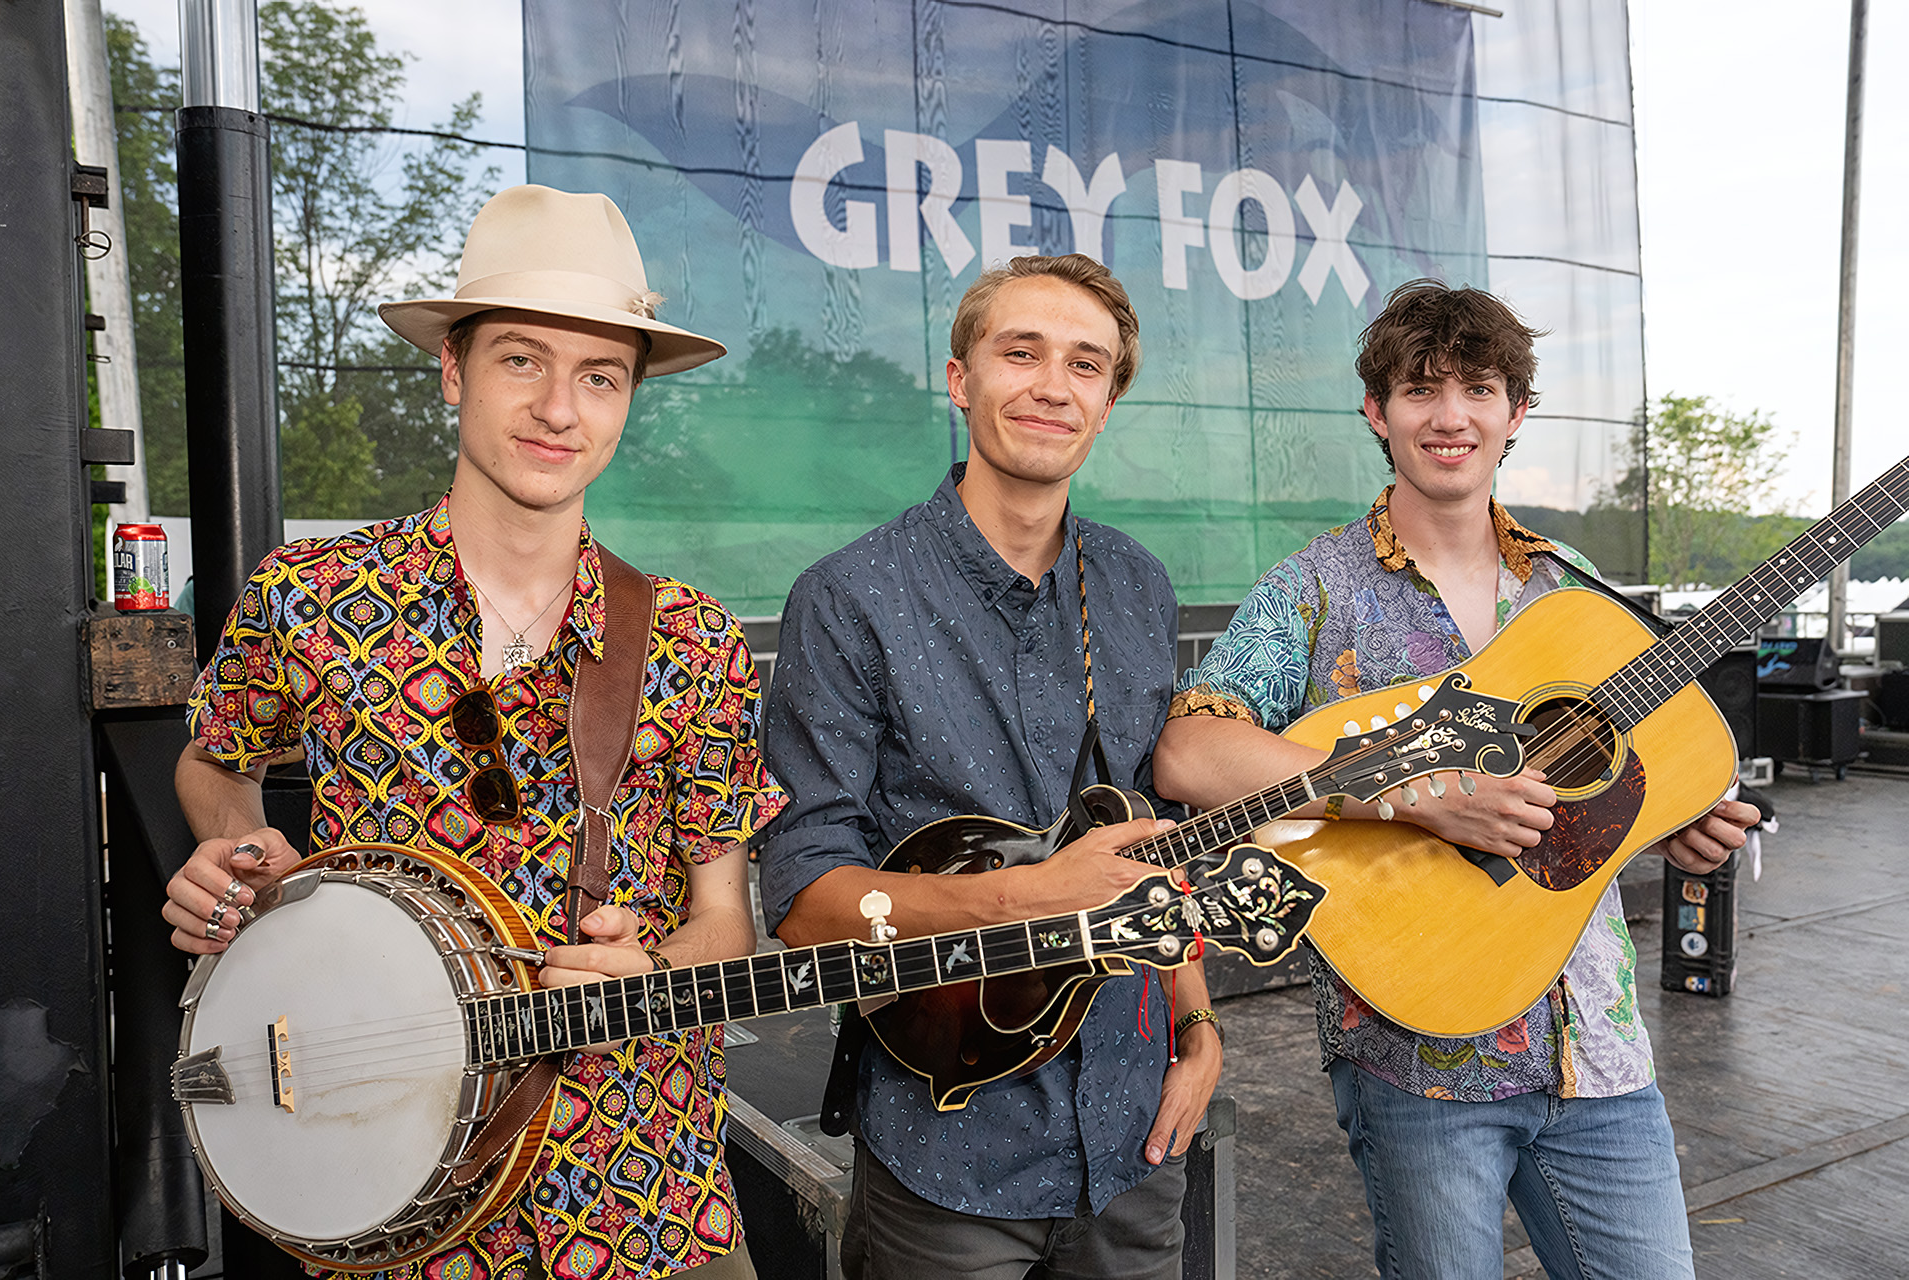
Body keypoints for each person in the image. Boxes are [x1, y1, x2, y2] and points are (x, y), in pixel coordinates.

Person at [162, 185, 786, 1280]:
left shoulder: (694, 638)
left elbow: (725, 922)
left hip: (645, 1190)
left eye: (600, 376)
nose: (558, 408)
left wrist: (648, 968)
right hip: (389, 1191)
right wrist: (241, 856)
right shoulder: (311, 593)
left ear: (629, 401)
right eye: (520, 360)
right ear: (453, 370)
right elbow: (217, 759)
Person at [1152, 278, 1758, 1279]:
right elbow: (1189, 749)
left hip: (1597, 1046)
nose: (1450, 416)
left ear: (1515, 413)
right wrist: (1414, 793)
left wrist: (1671, 822)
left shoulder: (1572, 584)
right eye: (1420, 388)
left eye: (1478, 389)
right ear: (1376, 411)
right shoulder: (1316, 588)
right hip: (1418, 1054)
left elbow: (1610, 781)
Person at [758, 254, 1222, 1280]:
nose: (1053, 385)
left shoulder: (1138, 587)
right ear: (960, 379)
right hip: (946, 1150)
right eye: (1022, 352)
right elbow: (801, 899)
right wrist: (1031, 894)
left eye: (1086, 364)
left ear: (1108, 402)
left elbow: (1154, 839)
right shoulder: (850, 598)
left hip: (1135, 1137)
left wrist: (1196, 1024)